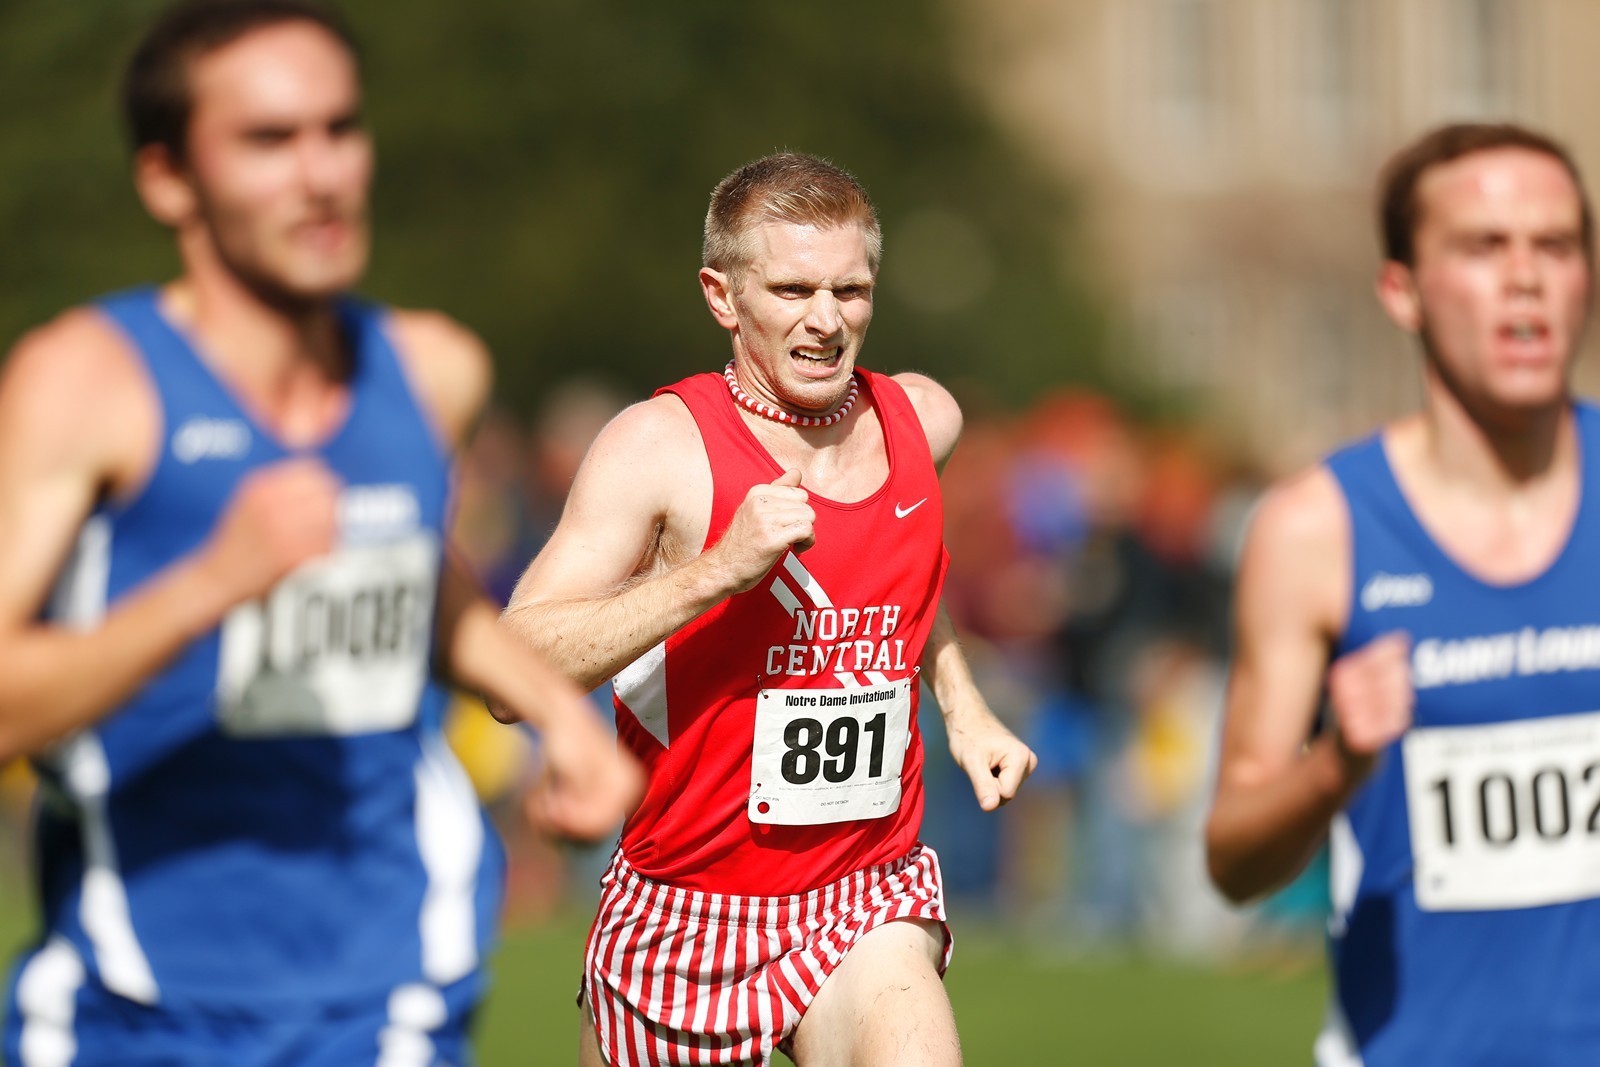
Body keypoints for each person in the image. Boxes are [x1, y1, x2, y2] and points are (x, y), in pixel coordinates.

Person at [0, 1, 639, 1063]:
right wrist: (212, 581)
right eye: (268, 140)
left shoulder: (430, 371)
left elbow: (418, 578)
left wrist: (556, 720)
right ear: (169, 180)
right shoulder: (91, 381)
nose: (322, 173)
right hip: (136, 996)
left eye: (339, 130)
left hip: (391, 990)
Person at [502, 152, 1038, 1067]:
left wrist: (962, 699)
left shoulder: (924, 420)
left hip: (864, 891)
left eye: (851, 290)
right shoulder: (659, 447)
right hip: (685, 908)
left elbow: (910, 574)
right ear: (723, 295)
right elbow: (509, 671)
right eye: (792, 289)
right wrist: (715, 571)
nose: (827, 321)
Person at [1205, 122, 1600, 1065]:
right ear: (1402, 289)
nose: (1526, 278)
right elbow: (1233, 859)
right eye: (1482, 247)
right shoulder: (1316, 529)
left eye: (1555, 244)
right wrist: (1335, 764)